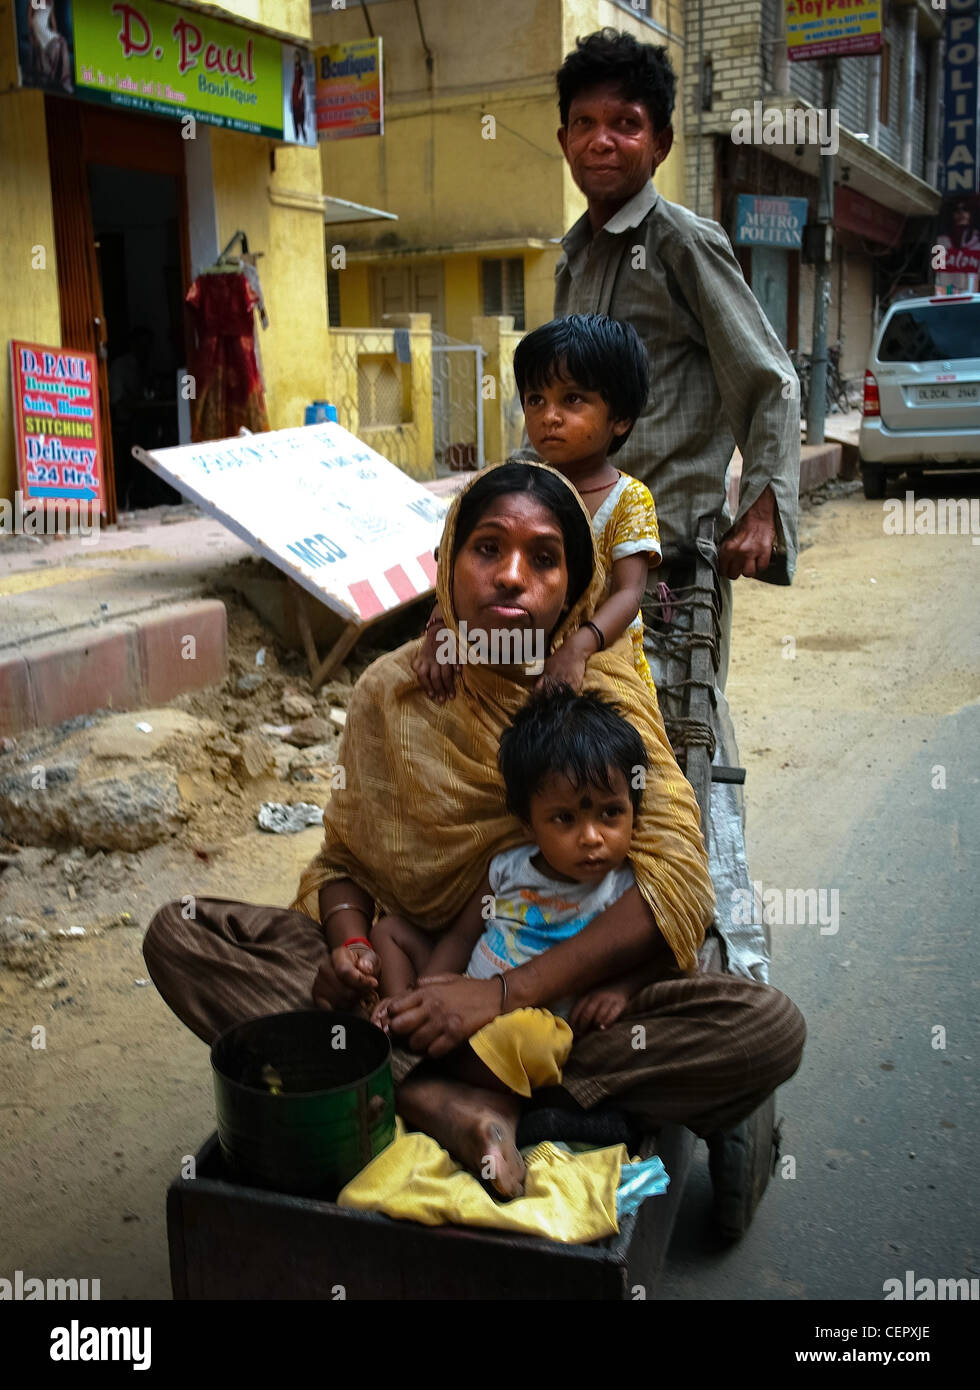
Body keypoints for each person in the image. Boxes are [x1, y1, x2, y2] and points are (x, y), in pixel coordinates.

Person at [144, 461, 805, 1197]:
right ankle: (473, 1098)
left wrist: (497, 998)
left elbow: (676, 881)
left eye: (544, 559)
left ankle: (405, 1083)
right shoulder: (390, 691)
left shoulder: (606, 693)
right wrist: (354, 951)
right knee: (181, 933)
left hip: (563, 1016)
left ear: (574, 590)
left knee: (764, 1027)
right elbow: (344, 864)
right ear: (449, 565)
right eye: (487, 548)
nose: (512, 576)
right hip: (407, 980)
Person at [526, 27, 802, 688]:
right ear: (564, 140)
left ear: (660, 143)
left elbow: (769, 378)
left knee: (667, 753)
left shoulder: (683, 243)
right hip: (575, 561)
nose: (602, 139)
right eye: (584, 123)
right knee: (563, 762)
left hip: (665, 565)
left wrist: (762, 506)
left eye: (626, 124)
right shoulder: (573, 260)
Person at [371, 684, 647, 1029]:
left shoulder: (625, 891)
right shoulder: (508, 868)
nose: (591, 838)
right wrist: (425, 993)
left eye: (610, 814)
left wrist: (622, 990)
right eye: (565, 819)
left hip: (534, 1029)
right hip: (463, 997)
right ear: (528, 825)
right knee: (390, 931)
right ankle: (399, 1014)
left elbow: (660, 957)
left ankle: (416, 1048)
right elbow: (460, 938)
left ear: (635, 810)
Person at [414, 313, 662, 698]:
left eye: (572, 399)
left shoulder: (628, 498)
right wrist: (438, 627)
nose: (549, 416)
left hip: (597, 651)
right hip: (514, 645)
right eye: (535, 400)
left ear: (621, 419)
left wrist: (578, 649)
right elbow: (455, 565)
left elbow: (628, 594)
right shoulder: (514, 489)